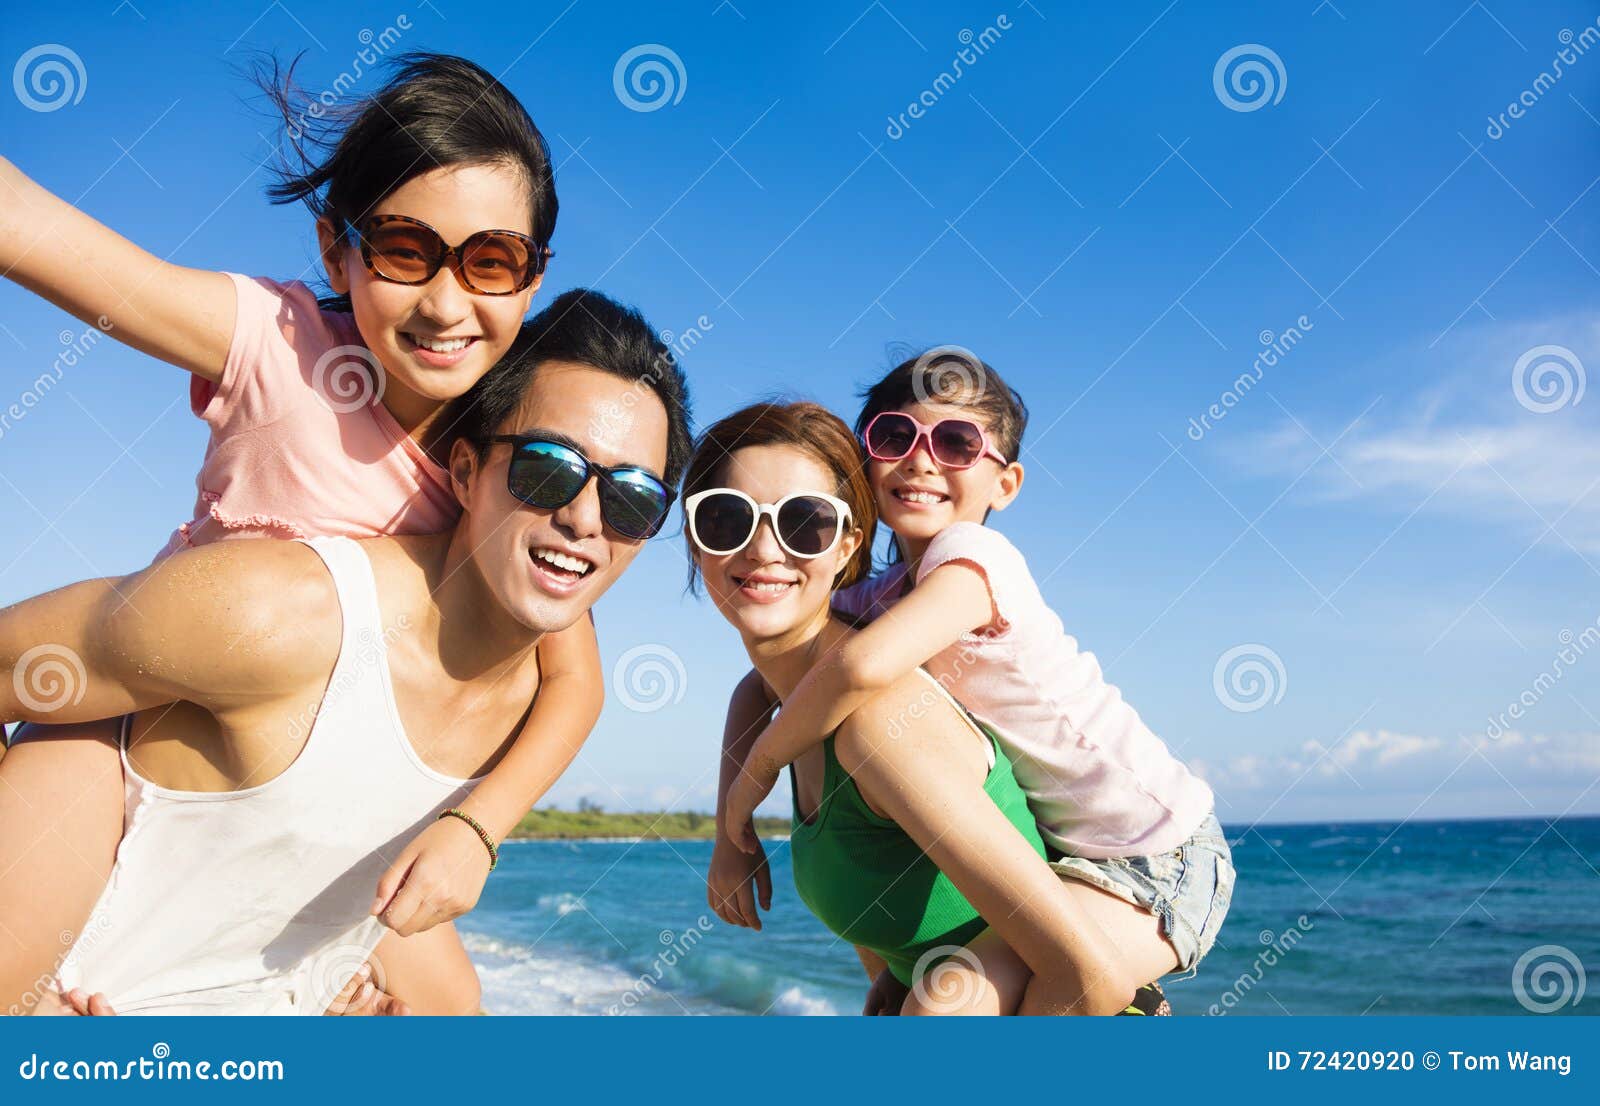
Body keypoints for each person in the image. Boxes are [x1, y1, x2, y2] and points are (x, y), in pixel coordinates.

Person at [0, 53, 594, 1013]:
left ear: (533, 276)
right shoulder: (272, 341)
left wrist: (477, 830)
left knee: (453, 1015)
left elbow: (571, 680)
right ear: (336, 251)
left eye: (491, 261)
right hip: (120, 728)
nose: (447, 304)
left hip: (309, 797)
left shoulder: (512, 441)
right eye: (404, 249)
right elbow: (32, 230)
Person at [0, 289, 691, 1015]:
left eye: (633, 499)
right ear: (464, 471)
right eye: (548, 469)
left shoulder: (538, 696)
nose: (584, 518)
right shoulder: (276, 616)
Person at [713, 350, 1234, 1012]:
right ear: (866, 461)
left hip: (1159, 852)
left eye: (956, 443)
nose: (921, 461)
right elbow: (760, 687)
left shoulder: (976, 559)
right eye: (895, 436)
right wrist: (727, 841)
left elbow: (859, 669)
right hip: (1062, 860)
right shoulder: (881, 596)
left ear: (1005, 484)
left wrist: (754, 779)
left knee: (978, 1000)